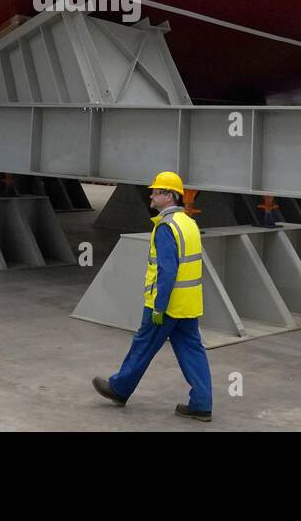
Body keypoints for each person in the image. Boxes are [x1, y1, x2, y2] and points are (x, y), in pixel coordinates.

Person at [93, 171, 213, 422]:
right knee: (192, 350)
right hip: (188, 304)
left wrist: (159, 306)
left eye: (157, 192)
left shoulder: (167, 227)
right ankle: (202, 403)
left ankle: (119, 388)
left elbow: (167, 271)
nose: (152, 195)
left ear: (169, 197)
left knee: (144, 345)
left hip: (166, 305)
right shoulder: (189, 223)